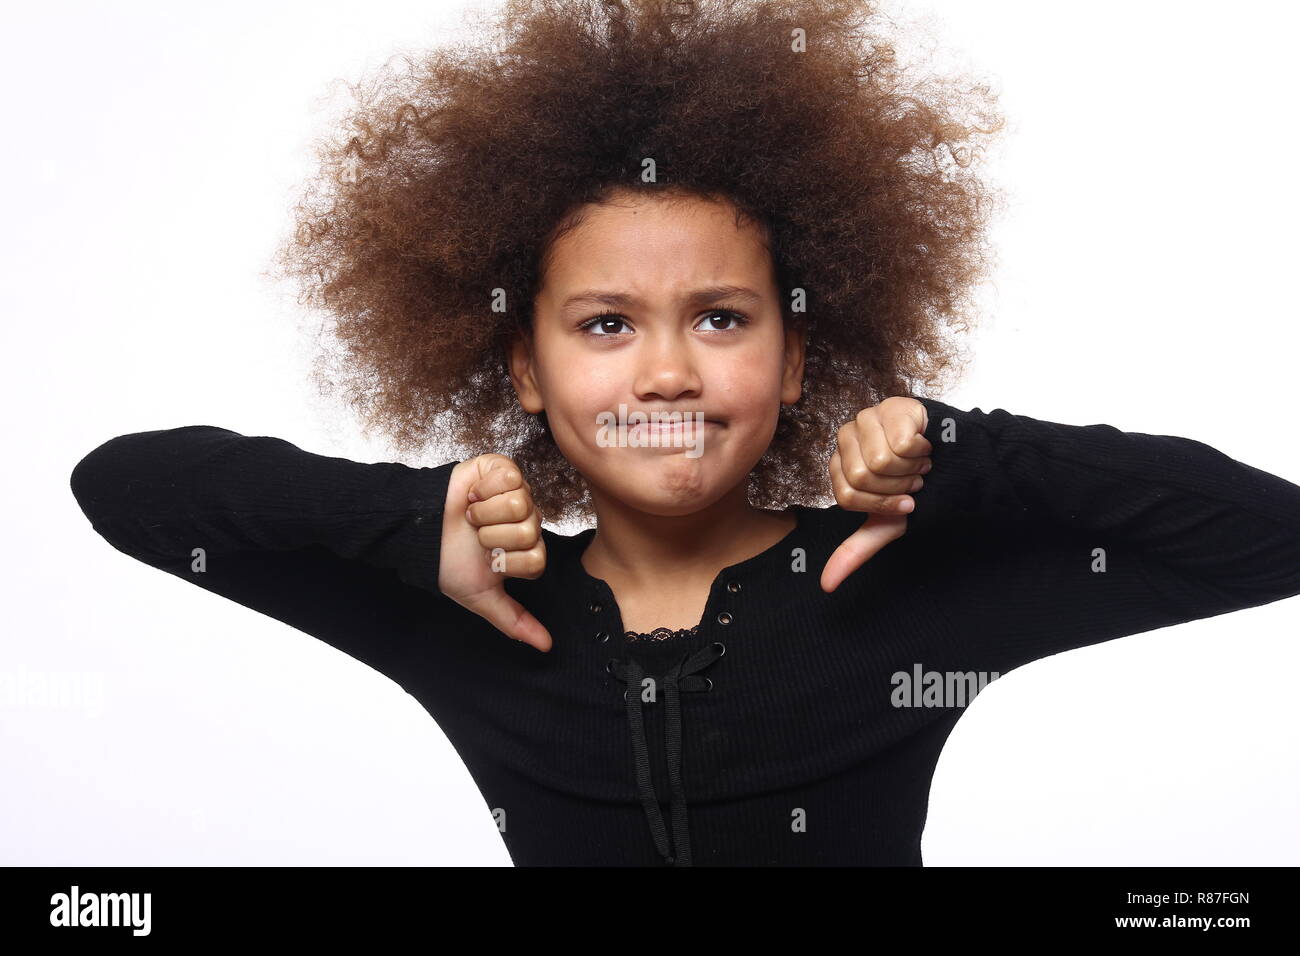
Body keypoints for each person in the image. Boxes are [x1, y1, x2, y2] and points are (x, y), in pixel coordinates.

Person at [68, 0, 1300, 865]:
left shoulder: (903, 588)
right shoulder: (476, 608)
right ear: (525, 366)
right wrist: (405, 525)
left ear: (799, 350)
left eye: (719, 316)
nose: (666, 366)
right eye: (605, 324)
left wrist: (963, 448)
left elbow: (1270, 540)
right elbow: (127, 490)